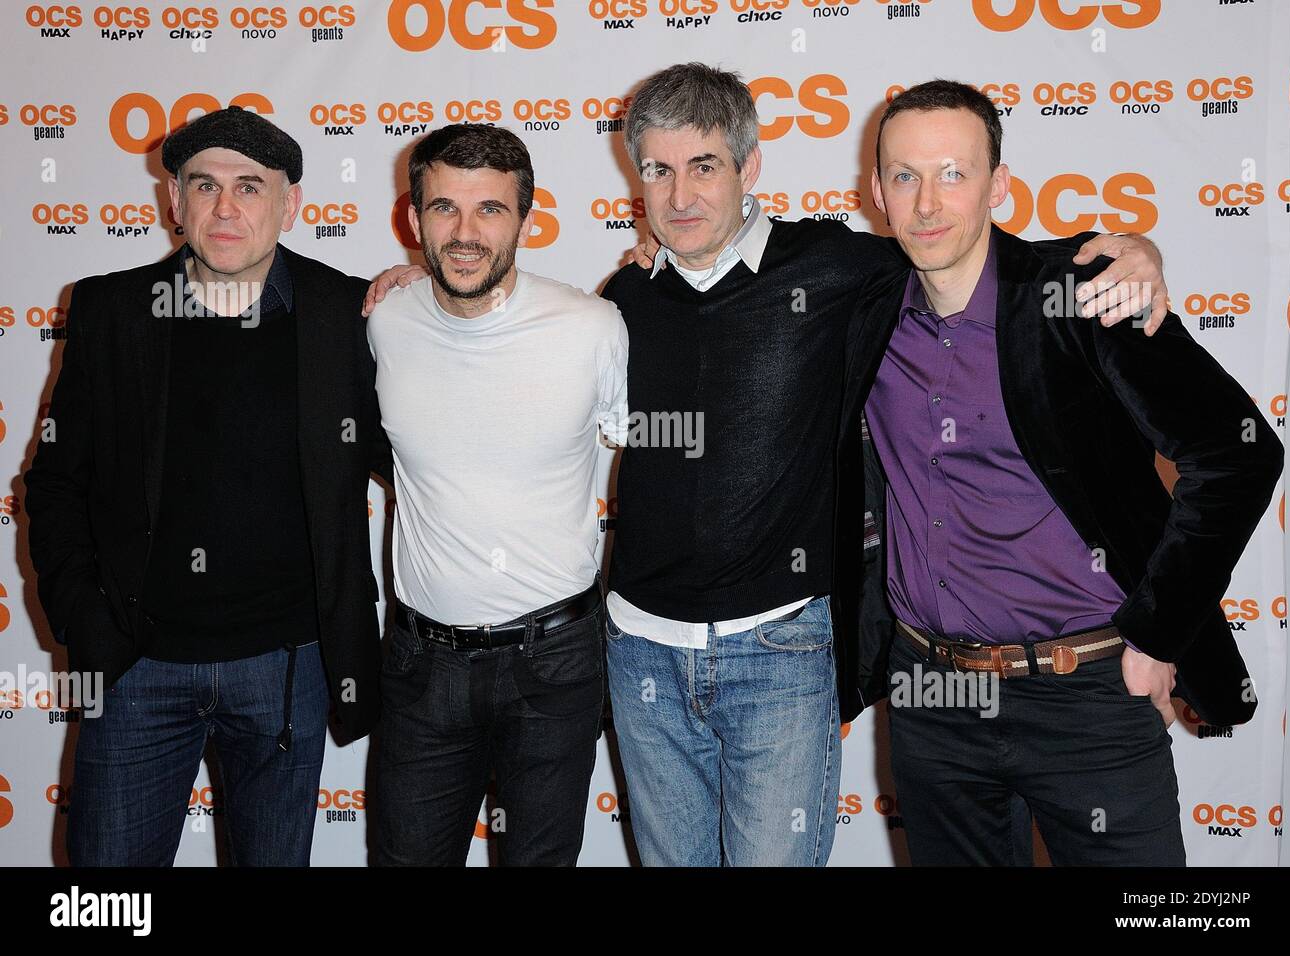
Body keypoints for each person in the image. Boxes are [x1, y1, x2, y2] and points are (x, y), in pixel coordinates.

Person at [365, 63, 1168, 866]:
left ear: (749, 169)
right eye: (659, 170)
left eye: (705, 166)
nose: (680, 196)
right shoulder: (626, 299)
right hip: (640, 650)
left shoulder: (835, 266)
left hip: (781, 651)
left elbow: (964, 251)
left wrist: (1119, 252)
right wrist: (417, 282)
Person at [834, 79, 1284, 865]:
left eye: (954, 173)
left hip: (1087, 698)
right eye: (905, 176)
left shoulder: (1081, 294)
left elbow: (1239, 451)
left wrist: (1158, 628)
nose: (928, 202)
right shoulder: (862, 300)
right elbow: (731, 244)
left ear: (999, 185)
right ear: (876, 191)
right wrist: (656, 250)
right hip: (933, 699)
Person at [24, 106, 390, 866]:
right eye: (204, 186)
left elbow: (423, 454)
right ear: (173, 203)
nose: (226, 209)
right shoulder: (113, 310)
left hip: (288, 667)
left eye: (250, 187)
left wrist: (431, 289)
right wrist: (89, 628)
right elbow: (58, 483)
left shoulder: (345, 314)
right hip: (137, 667)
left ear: (290, 205)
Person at [368, 124, 628, 866]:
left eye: (490, 210)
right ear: (412, 217)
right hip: (422, 666)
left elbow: (662, 455)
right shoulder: (385, 320)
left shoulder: (593, 328)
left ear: (526, 217)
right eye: (444, 208)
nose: (465, 233)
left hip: (555, 665)